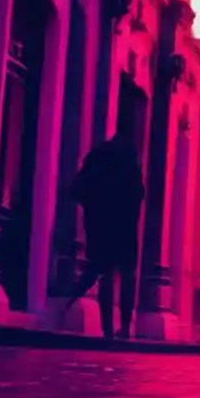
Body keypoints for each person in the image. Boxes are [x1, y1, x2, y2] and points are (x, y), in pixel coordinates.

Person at [66, 130, 145, 339]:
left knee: (104, 275)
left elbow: (77, 190)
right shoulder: (130, 163)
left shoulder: (97, 158)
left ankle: (107, 328)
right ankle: (125, 327)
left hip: (101, 225)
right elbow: (139, 194)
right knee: (126, 276)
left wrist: (94, 208)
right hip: (125, 228)